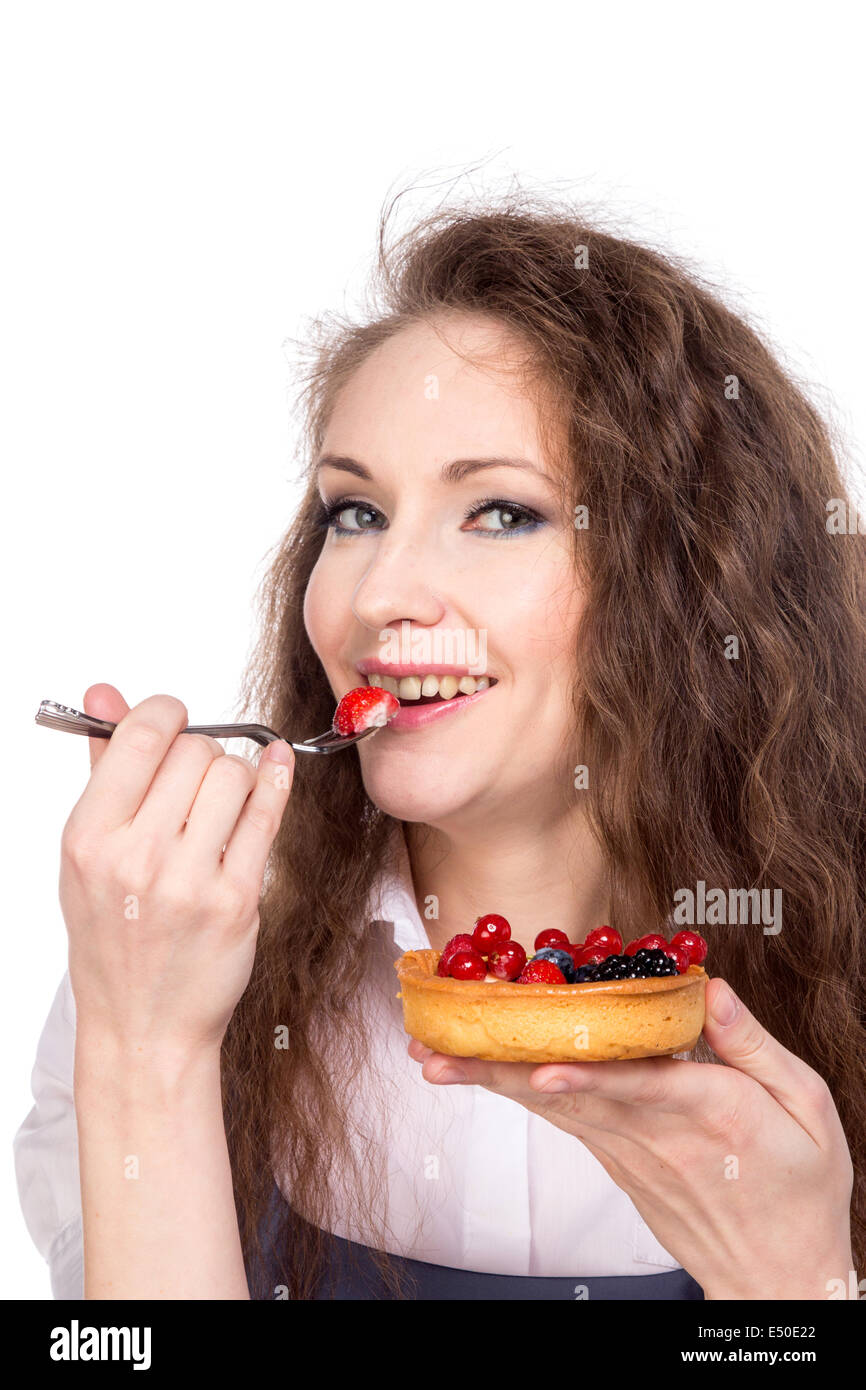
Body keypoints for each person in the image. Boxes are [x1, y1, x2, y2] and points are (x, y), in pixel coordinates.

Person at [15, 193, 865, 1300]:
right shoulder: (169, 954)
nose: (378, 594)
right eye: (354, 513)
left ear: (691, 580)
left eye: (500, 512)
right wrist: (143, 1051)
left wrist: (798, 1290)